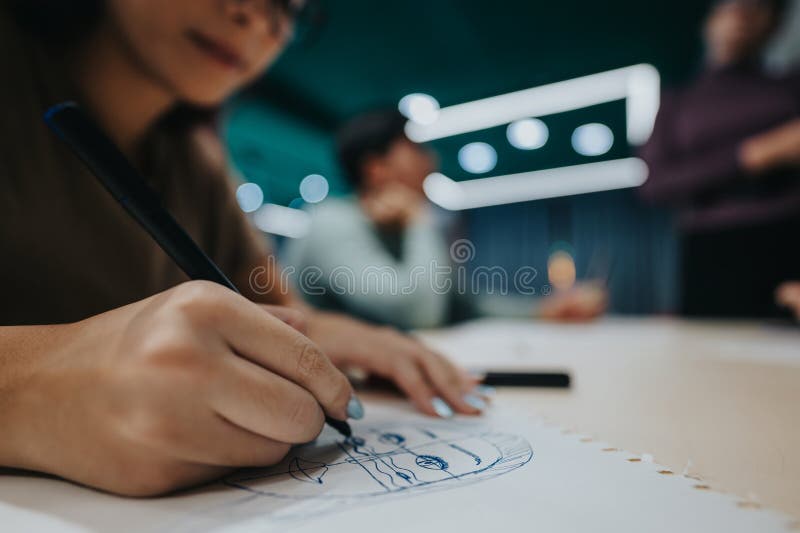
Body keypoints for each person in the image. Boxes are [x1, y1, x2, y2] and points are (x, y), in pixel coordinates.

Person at [0, 0, 485, 497]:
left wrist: (318, 333)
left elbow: (275, 309)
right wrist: (30, 391)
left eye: (290, 8)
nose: (258, 19)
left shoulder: (195, 159)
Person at [284, 110, 607, 329]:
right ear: (376, 168)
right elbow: (420, 314)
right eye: (416, 149)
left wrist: (545, 310)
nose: (432, 160)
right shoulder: (331, 221)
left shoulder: (401, 226)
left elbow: (462, 304)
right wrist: (420, 221)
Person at [639, 0, 800, 318]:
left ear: (774, 23)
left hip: (787, 239)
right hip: (709, 249)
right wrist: (755, 155)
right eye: (731, 7)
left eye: (754, 9)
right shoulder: (679, 102)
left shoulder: (790, 89)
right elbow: (655, 184)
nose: (740, 17)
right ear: (709, 21)